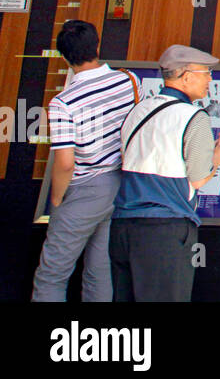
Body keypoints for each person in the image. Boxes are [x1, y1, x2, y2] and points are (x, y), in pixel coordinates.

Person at [110, 45, 220, 301]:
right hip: (165, 228)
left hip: (122, 226)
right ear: (187, 76)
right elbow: (199, 177)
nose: (210, 79)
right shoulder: (194, 116)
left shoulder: (138, 110)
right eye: (206, 72)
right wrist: (219, 156)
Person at [31, 21, 139, 302]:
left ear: (65, 57)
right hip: (120, 185)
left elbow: (65, 162)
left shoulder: (63, 103)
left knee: (52, 275)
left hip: (83, 190)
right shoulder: (128, 80)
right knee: (100, 271)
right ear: (97, 46)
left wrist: (56, 200)